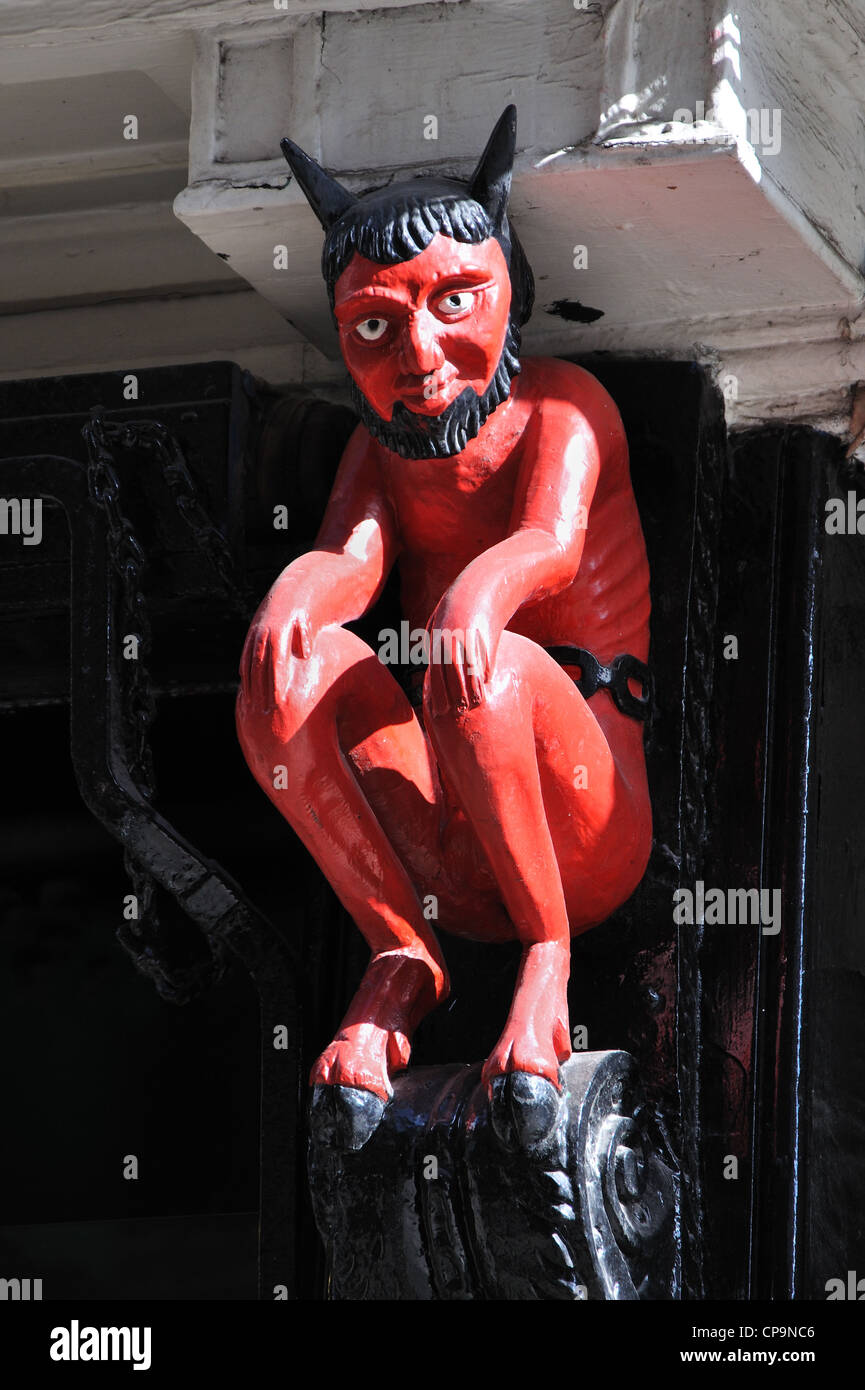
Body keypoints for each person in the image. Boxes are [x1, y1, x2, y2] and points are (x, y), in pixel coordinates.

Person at [236, 107, 652, 1149]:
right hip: (450, 850)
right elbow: (351, 563)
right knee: (286, 675)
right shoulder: (379, 456)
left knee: (480, 662)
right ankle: (398, 951)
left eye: (455, 301)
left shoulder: (564, 407)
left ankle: (545, 959)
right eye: (374, 325)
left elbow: (548, 544)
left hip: (580, 822)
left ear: (510, 294)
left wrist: (480, 592)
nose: (418, 354)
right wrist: (294, 601)